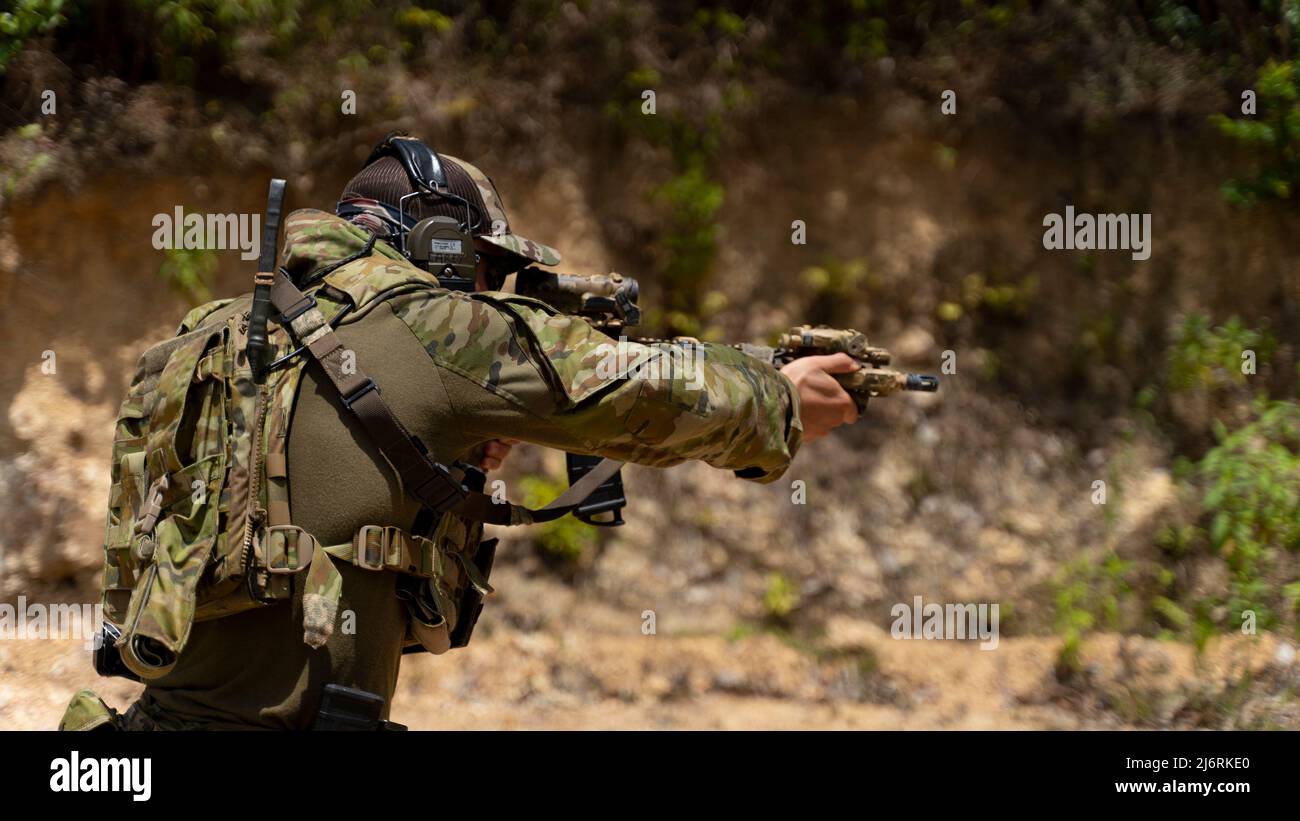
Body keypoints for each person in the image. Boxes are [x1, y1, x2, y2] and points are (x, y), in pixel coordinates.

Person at [78, 135, 861, 730]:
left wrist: (452, 479)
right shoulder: (437, 326)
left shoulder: (202, 344)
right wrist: (780, 401)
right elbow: (641, 394)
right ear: (438, 246)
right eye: (486, 266)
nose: (491, 288)